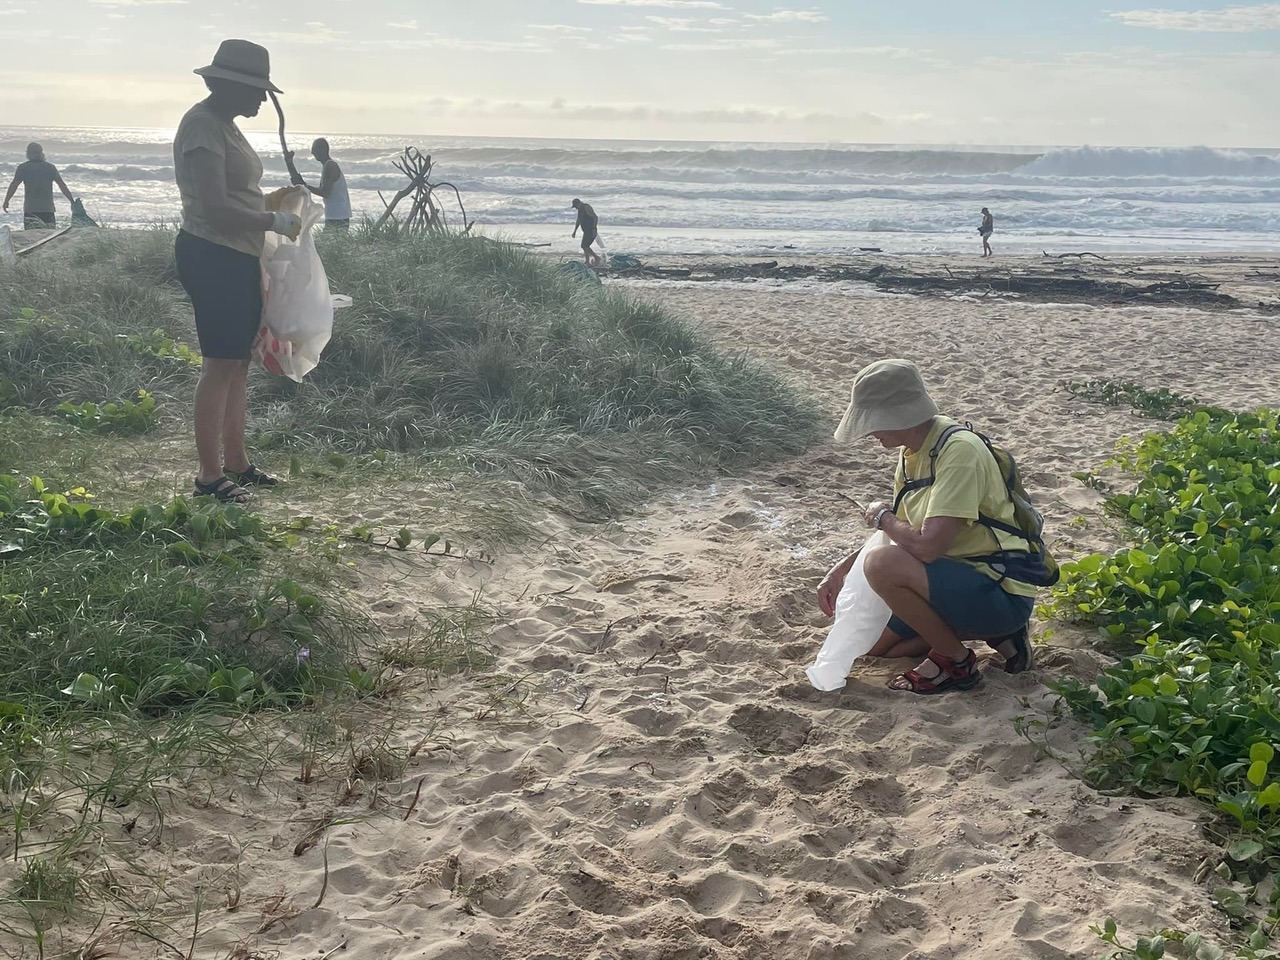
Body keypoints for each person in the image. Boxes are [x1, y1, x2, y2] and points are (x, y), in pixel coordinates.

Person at [816, 359, 1039, 695]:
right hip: (955, 578)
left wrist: (882, 516)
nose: (870, 433)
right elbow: (897, 533)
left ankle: (956, 662)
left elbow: (925, 545)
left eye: (872, 423)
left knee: (881, 566)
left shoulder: (957, 451)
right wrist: (841, 569)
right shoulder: (915, 451)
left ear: (894, 416)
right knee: (874, 645)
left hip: (998, 587)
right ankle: (1000, 638)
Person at [173, 39, 302, 503]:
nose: (262, 99)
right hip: (213, 252)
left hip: (235, 253)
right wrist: (272, 220)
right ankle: (209, 476)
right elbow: (214, 207)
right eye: (255, 89)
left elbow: (233, 196)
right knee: (220, 362)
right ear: (225, 84)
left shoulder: (223, 124)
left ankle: (236, 462)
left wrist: (268, 205)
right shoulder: (204, 126)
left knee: (238, 364)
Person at [3, 143, 75, 229]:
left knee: (32, 237)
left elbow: (14, 185)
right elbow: (62, 185)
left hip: (31, 209)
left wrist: (7, 200)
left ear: (28, 153)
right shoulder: (50, 167)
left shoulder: (23, 168)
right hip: (47, 209)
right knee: (49, 238)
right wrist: (71, 201)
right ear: (41, 153)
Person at [291, 137, 350, 231]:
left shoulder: (330, 166)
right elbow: (322, 189)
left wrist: (305, 185)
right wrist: (303, 184)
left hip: (337, 216)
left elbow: (325, 192)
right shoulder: (327, 165)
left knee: (328, 243)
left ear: (322, 150)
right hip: (336, 214)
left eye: (314, 149)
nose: (312, 152)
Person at [571, 198, 602, 267]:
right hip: (586, 231)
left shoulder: (586, 207)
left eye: (575, 206)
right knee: (585, 246)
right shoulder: (580, 210)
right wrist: (574, 231)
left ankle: (597, 258)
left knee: (584, 246)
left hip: (591, 230)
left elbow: (595, 217)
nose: (575, 208)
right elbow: (578, 221)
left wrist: (594, 228)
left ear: (578, 204)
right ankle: (587, 262)